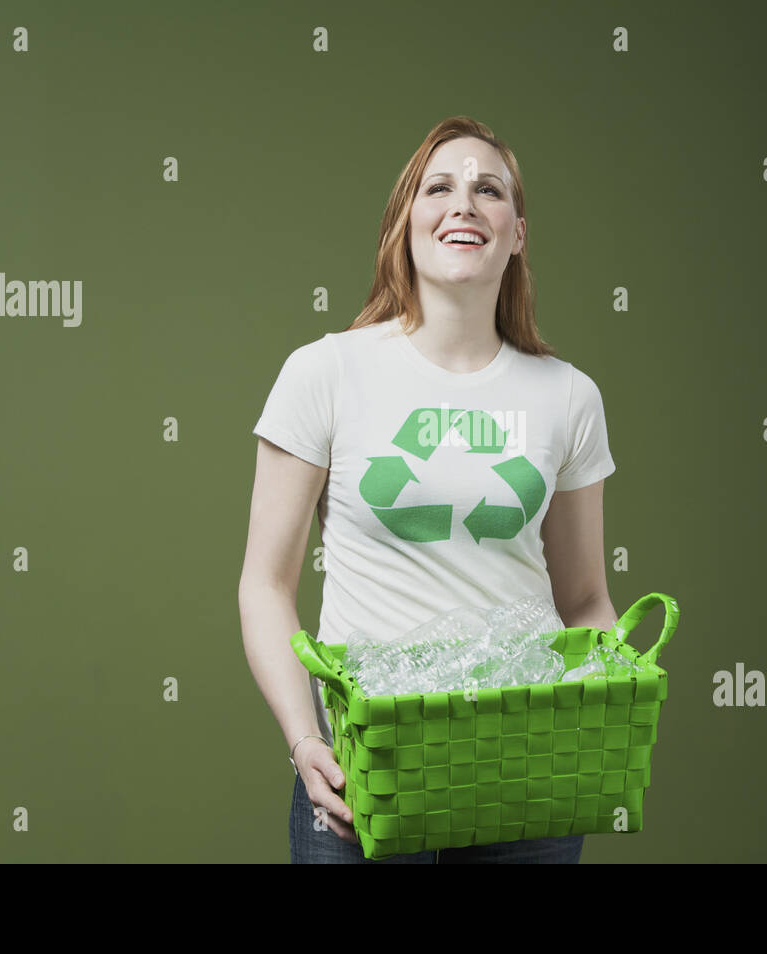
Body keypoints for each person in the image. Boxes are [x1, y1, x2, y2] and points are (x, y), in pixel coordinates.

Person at [238, 116, 618, 863]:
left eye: (490, 190)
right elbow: (265, 584)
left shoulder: (568, 396)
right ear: (403, 225)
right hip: (367, 761)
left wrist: (606, 707)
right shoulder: (327, 373)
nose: (464, 204)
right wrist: (304, 739)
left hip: (529, 762)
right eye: (438, 187)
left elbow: (584, 600)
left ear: (517, 234)